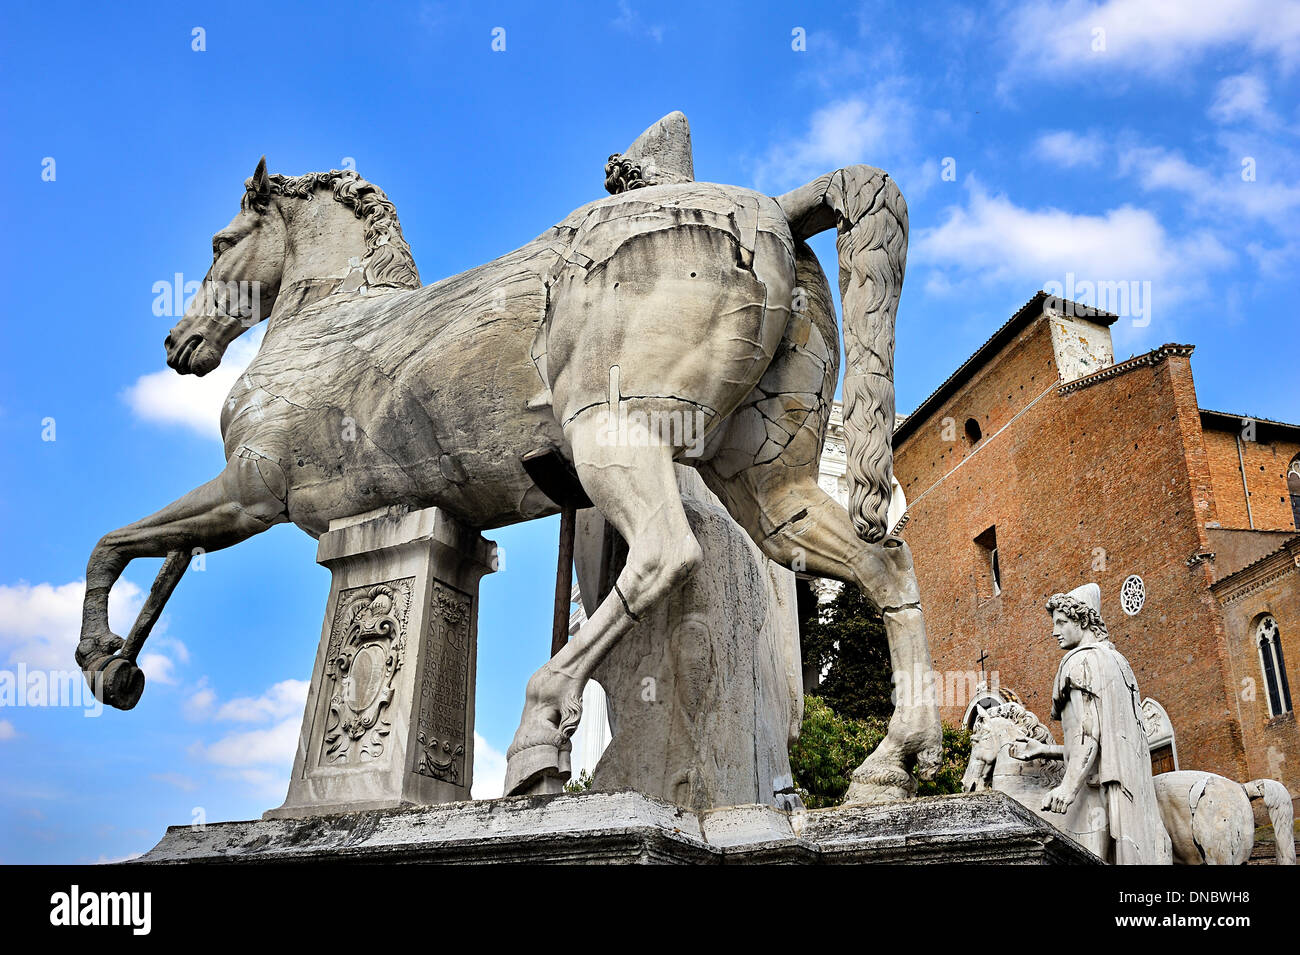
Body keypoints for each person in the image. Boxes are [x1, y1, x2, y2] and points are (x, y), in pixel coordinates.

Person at [1013, 583, 1172, 864]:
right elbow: (1103, 739)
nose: (1054, 631)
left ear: (1082, 620)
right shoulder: (1116, 661)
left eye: (1061, 622)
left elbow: (1089, 735)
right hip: (1126, 788)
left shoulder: (1081, 663)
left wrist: (1068, 788)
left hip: (1093, 790)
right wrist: (1044, 750)